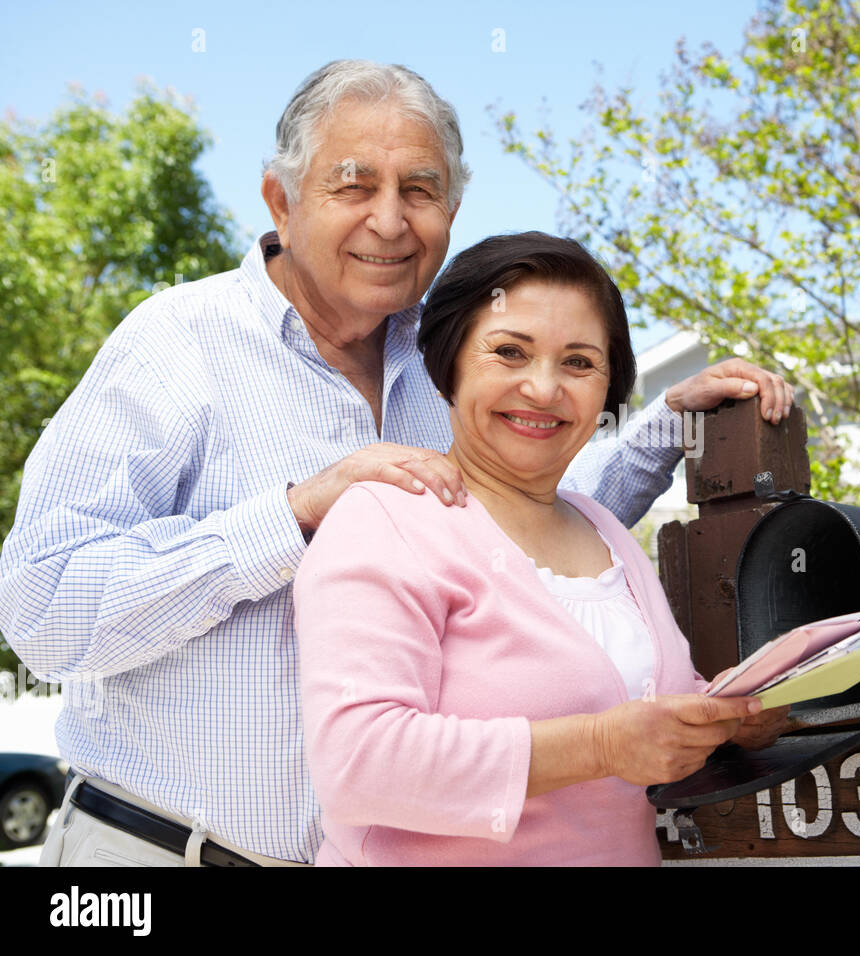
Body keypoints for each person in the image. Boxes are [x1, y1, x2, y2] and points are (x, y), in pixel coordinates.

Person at [0, 59, 792, 866]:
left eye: (419, 191)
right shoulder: (177, 343)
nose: (389, 221)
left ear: (451, 208)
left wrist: (663, 426)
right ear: (281, 198)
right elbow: (42, 609)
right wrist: (292, 515)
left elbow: (528, 541)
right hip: (156, 850)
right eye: (353, 186)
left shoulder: (450, 359)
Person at [295, 232, 787, 866]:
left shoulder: (603, 527)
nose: (544, 388)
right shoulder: (385, 519)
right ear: (449, 364)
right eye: (509, 352)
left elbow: (638, 702)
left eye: (579, 362)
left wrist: (729, 716)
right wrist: (600, 745)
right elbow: (359, 764)